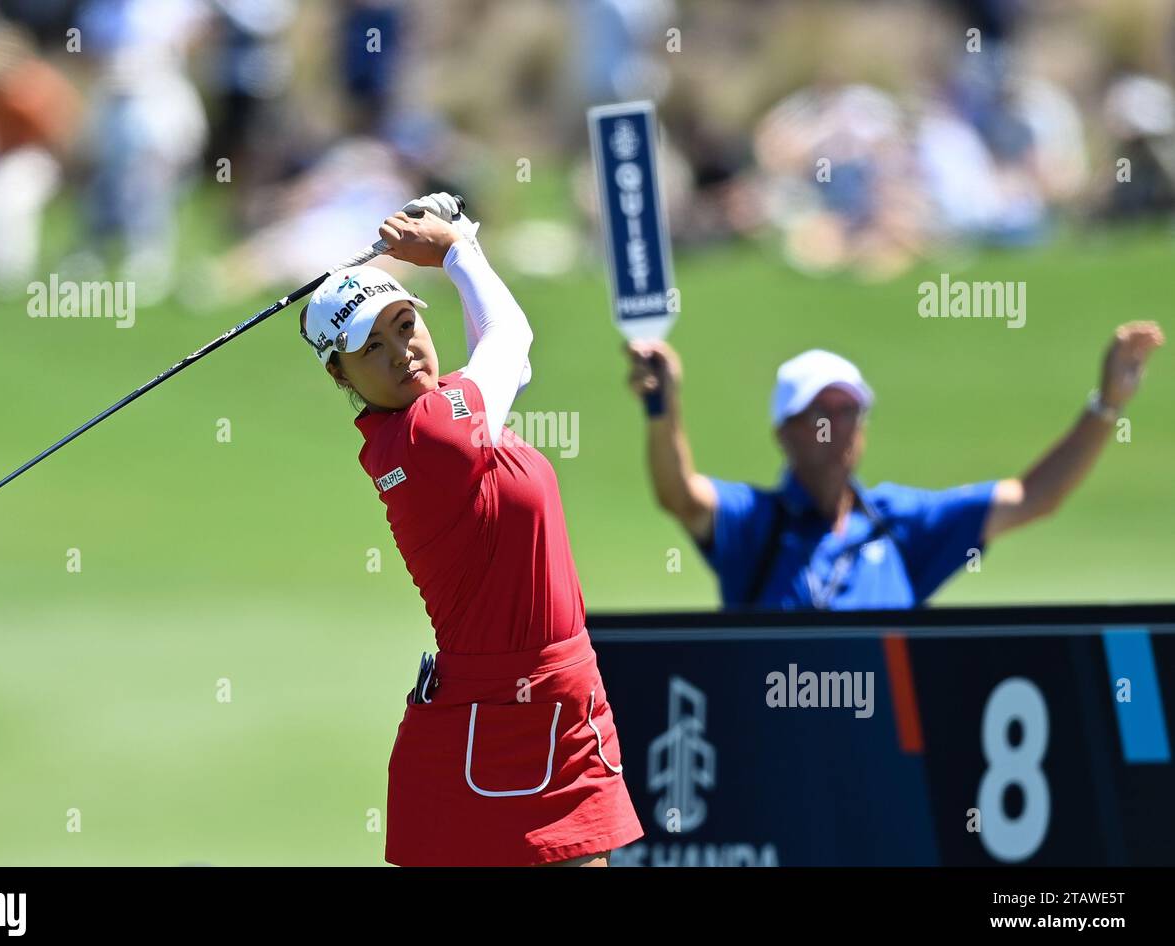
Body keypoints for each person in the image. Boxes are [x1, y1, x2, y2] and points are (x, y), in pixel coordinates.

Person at [300, 197, 643, 866]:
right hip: (519, 710)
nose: (400, 352)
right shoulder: (429, 435)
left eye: (403, 325)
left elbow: (508, 366)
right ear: (339, 373)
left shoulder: (427, 421)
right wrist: (457, 251)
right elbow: (511, 341)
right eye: (371, 348)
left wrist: (465, 246)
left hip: (522, 703)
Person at [626, 323, 1165, 610]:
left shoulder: (899, 522)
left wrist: (1107, 406)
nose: (839, 425)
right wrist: (662, 408)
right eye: (821, 412)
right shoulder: (757, 523)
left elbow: (1033, 498)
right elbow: (680, 495)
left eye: (850, 410)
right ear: (785, 431)